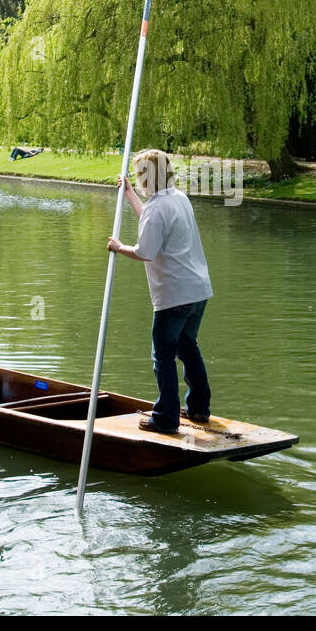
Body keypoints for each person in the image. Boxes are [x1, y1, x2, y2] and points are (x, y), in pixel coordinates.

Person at [106, 149, 214, 434]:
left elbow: (146, 251)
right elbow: (152, 225)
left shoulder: (158, 207)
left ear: (146, 176)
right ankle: (199, 409)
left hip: (174, 295)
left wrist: (119, 247)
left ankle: (166, 418)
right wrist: (130, 196)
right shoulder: (178, 198)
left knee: (163, 353)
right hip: (197, 291)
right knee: (188, 347)